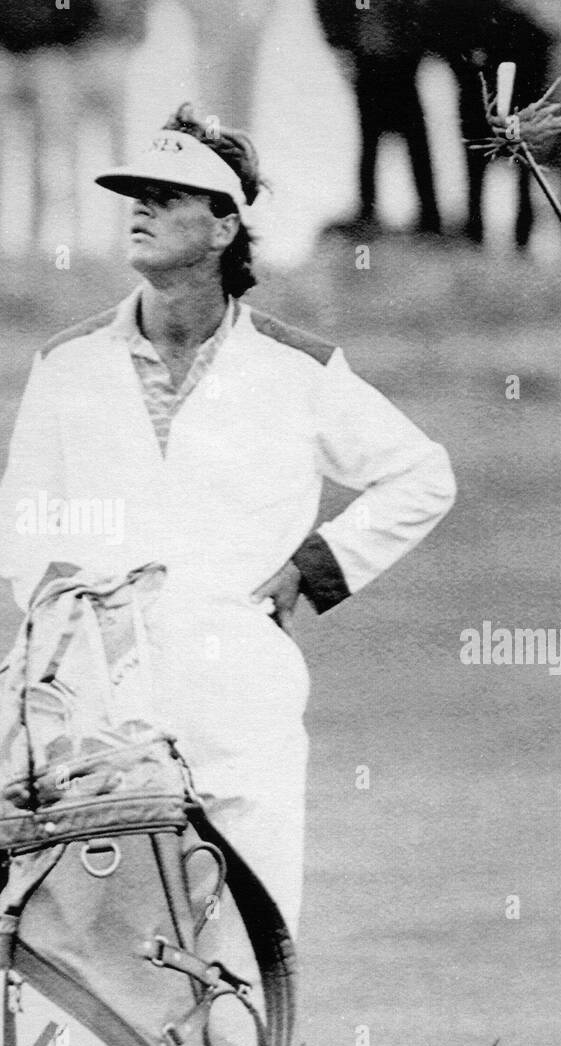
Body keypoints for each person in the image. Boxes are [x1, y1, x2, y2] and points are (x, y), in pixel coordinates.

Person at [0, 104, 456, 941]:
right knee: (102, 932)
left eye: (166, 196)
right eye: (135, 192)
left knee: (250, 922)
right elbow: (21, 524)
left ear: (223, 228)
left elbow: (420, 475)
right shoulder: (66, 365)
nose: (138, 207)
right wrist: (68, 621)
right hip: (97, 696)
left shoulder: (297, 367)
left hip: (239, 677)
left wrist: (310, 569)